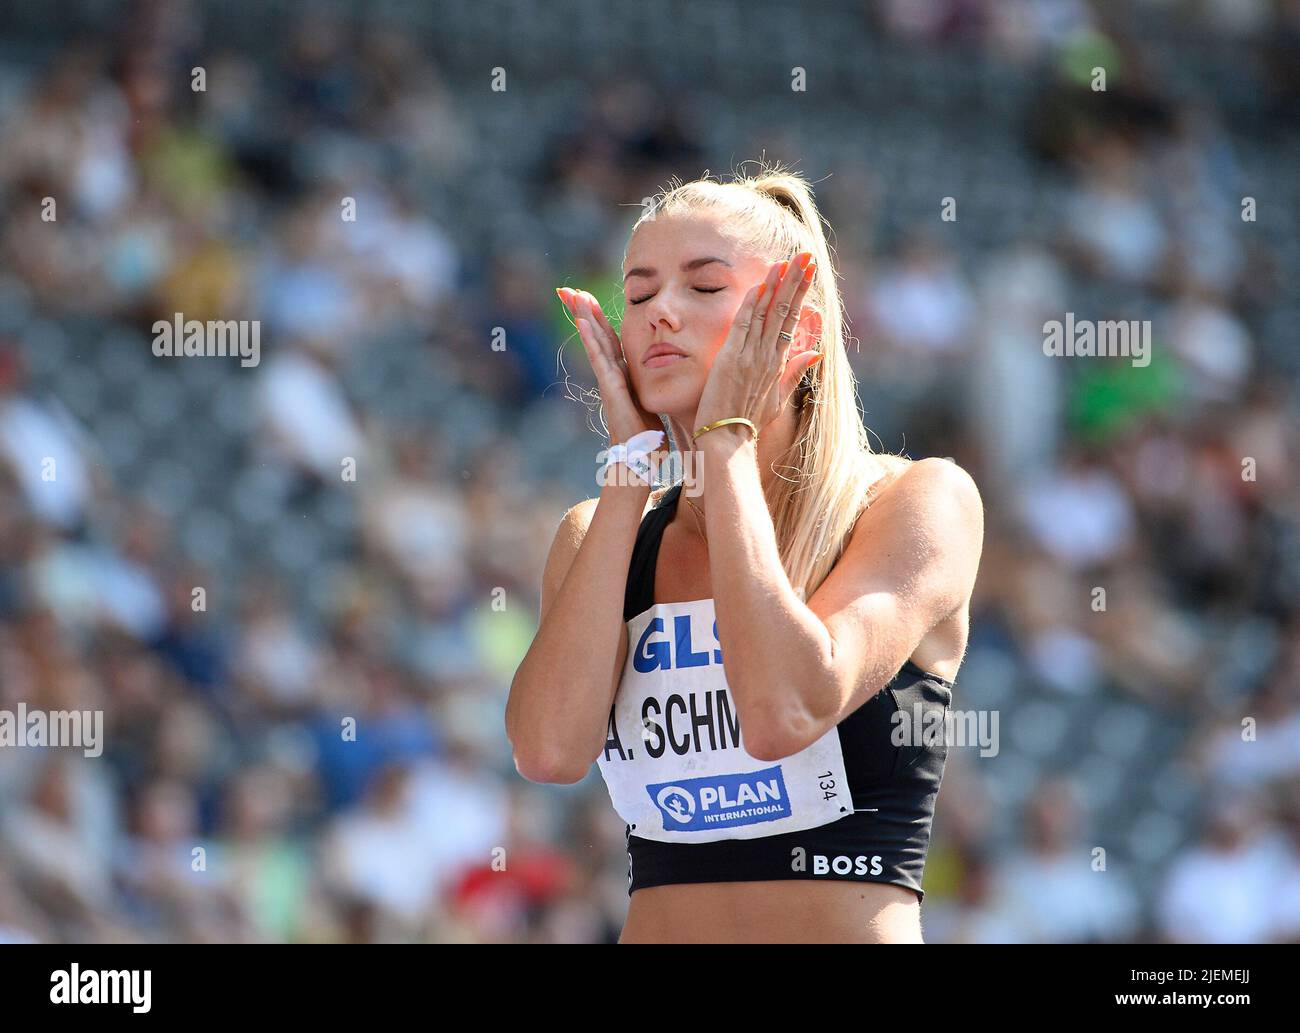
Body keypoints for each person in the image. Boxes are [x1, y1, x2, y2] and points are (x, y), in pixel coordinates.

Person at [506, 163, 984, 943]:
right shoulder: (600, 533)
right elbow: (549, 750)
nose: (660, 312)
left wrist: (725, 449)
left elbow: (782, 710)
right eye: (637, 293)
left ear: (798, 327)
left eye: (702, 287)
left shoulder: (912, 502)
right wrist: (630, 471)